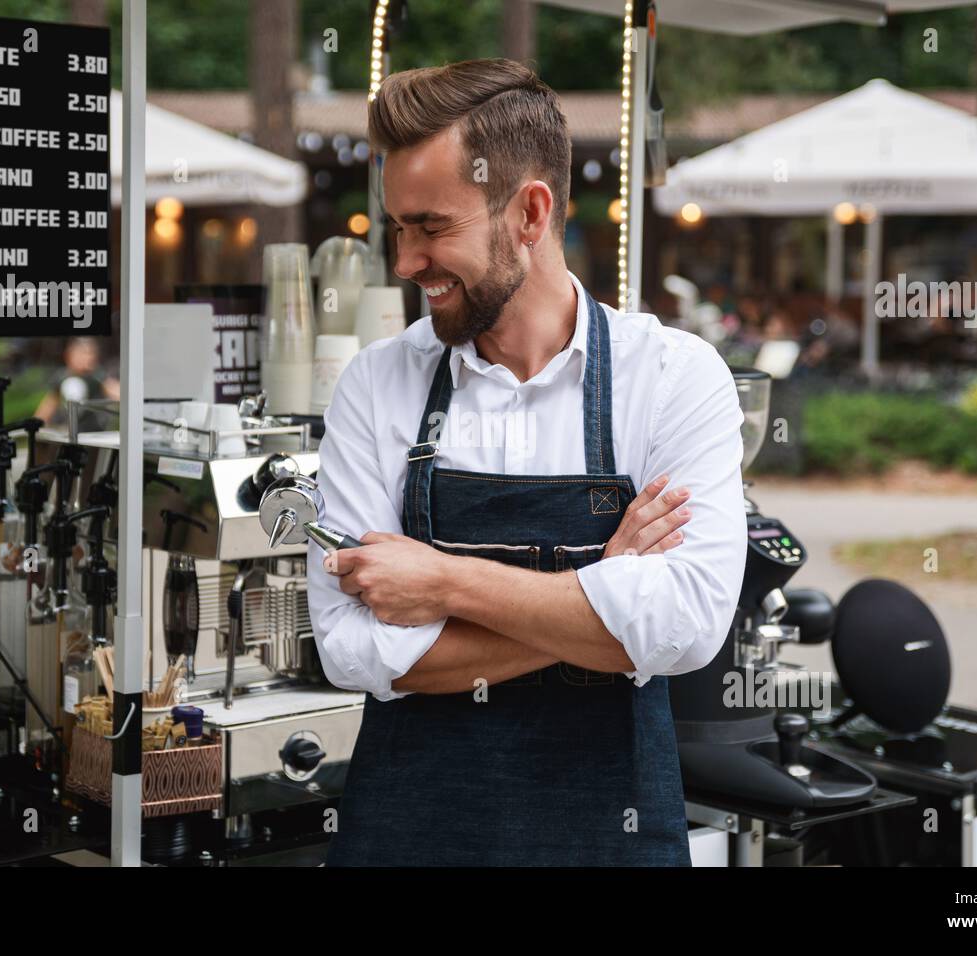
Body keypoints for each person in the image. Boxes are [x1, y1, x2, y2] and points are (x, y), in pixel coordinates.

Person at [309, 59, 747, 866]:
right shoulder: (375, 386)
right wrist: (602, 595)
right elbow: (353, 649)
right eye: (397, 226)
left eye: (431, 226)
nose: (405, 260)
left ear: (530, 213)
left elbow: (683, 629)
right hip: (410, 840)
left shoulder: (674, 377)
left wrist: (444, 585)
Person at [33, 337, 119, 433]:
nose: (88, 358)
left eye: (90, 353)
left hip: (95, 432)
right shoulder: (62, 377)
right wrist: (37, 423)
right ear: (69, 355)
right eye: (83, 353)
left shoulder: (96, 376)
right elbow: (49, 405)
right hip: (72, 431)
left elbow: (113, 390)